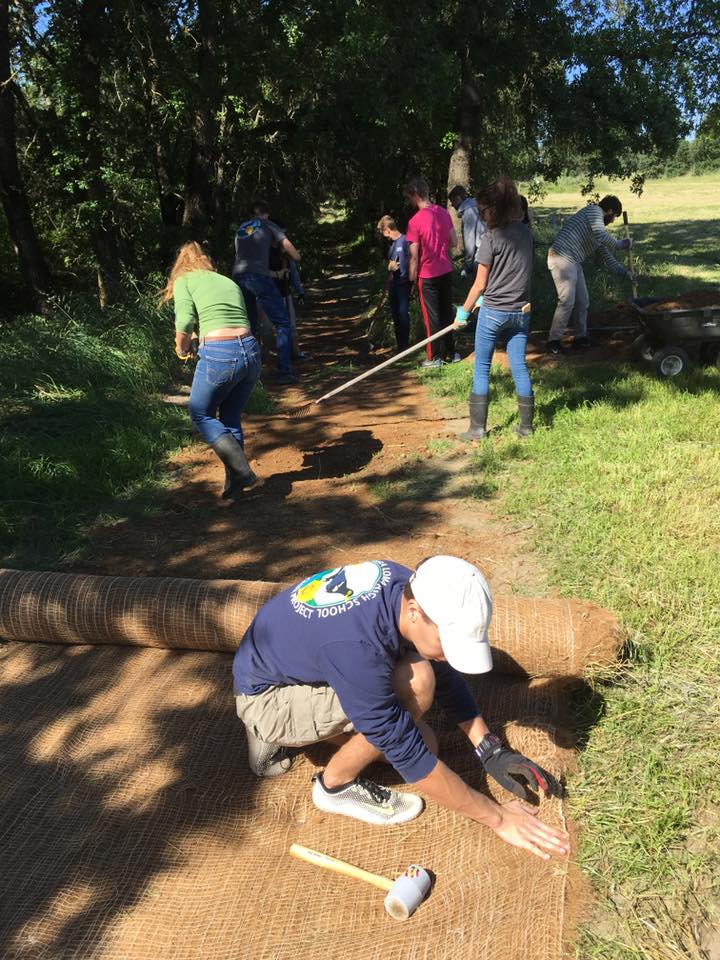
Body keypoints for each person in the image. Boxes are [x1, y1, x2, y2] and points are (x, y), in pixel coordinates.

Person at [233, 555, 570, 862]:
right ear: (413, 612)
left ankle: (317, 735)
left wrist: (488, 747)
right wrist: (496, 817)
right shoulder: (358, 647)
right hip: (268, 699)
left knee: (426, 721)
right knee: (416, 684)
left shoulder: (411, 588)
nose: (451, 654)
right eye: (449, 642)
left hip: (301, 664)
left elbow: (444, 672)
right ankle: (333, 785)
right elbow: (406, 753)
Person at [161, 242, 261, 499]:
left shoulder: (185, 280)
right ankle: (235, 484)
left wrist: (182, 349)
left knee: (199, 412)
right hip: (250, 351)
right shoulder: (226, 281)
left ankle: (242, 470)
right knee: (230, 416)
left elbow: (184, 321)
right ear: (207, 261)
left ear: (180, 266)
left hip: (220, 353)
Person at [453, 177, 534, 440]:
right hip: (520, 311)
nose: (480, 214)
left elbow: (480, 283)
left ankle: (477, 429)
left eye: (482, 210)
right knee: (519, 367)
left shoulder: (490, 238)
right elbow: (514, 272)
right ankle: (526, 428)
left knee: (482, 368)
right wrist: (482, 298)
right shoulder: (525, 232)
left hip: (494, 312)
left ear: (492, 209)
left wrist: (463, 312)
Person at [546, 195, 634, 355]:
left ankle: (580, 339)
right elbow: (604, 237)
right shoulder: (594, 212)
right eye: (614, 216)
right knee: (566, 301)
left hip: (573, 261)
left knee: (582, 301)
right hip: (560, 256)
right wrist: (621, 244)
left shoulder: (597, 229)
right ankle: (553, 341)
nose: (613, 220)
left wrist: (626, 274)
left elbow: (609, 259)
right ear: (609, 210)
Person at [232, 200, 302, 384]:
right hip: (258, 277)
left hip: (238, 277)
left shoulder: (242, 228)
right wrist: (296, 256)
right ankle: (285, 372)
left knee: (250, 326)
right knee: (283, 323)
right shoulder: (269, 224)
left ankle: (251, 376)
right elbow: (290, 249)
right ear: (266, 213)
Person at [405, 178, 461, 367]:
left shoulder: (414, 221)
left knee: (432, 317)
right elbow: (454, 241)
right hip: (445, 270)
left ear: (415, 195)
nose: (410, 202)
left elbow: (413, 256)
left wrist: (411, 280)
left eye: (410, 197)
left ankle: (434, 357)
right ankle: (452, 353)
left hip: (427, 275)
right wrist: (441, 248)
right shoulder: (443, 213)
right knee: (447, 312)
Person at [376, 214, 411, 350]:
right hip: (394, 284)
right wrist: (390, 268)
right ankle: (399, 345)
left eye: (384, 234)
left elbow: (413, 260)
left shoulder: (405, 241)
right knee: (395, 314)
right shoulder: (391, 245)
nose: (385, 237)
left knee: (403, 313)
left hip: (404, 283)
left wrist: (411, 280)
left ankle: (405, 345)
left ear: (388, 230)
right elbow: (390, 263)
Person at [448, 185, 486, 282]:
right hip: (488, 252)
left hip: (481, 256)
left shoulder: (469, 212)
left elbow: (470, 243)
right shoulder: (476, 206)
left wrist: (467, 265)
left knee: (479, 291)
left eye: (452, 201)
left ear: (458, 198)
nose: (452, 205)